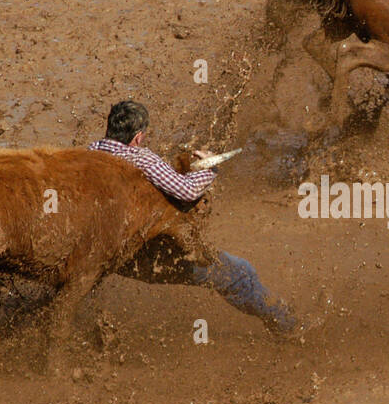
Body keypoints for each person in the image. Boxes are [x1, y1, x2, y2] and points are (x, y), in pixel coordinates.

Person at [89, 100, 304, 337]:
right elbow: (187, 191)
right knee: (238, 273)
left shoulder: (88, 153)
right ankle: (287, 325)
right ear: (138, 136)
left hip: (104, 253)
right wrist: (208, 167)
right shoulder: (141, 158)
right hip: (144, 255)